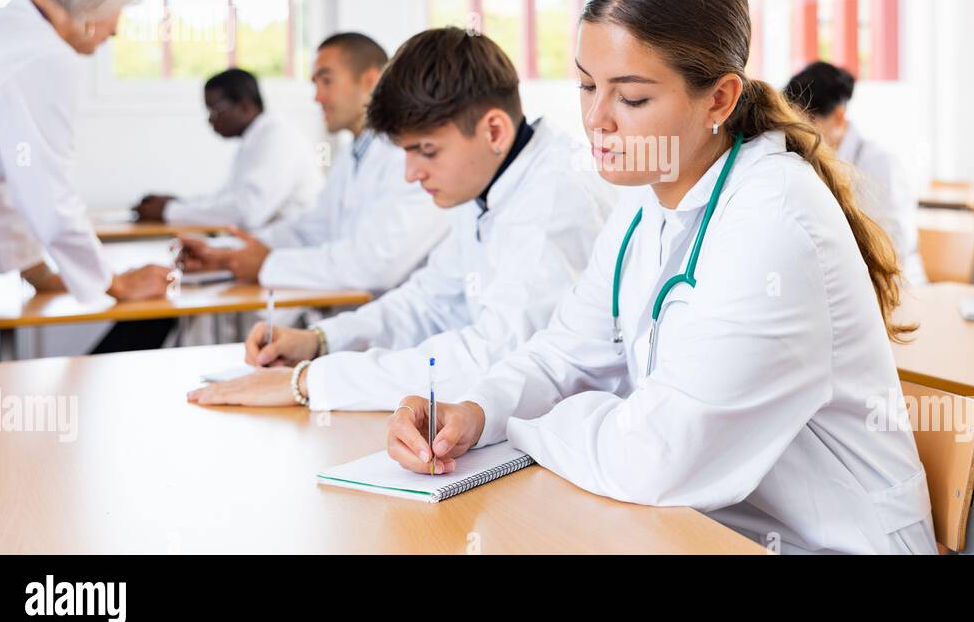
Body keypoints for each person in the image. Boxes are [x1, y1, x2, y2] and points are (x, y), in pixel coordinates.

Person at [387, 0, 936, 555]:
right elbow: (564, 353)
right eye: (587, 86)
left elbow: (652, 460)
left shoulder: (775, 220)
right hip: (701, 528)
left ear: (720, 100)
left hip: (827, 544)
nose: (597, 120)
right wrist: (475, 413)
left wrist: (517, 427)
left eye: (632, 99)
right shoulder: (644, 201)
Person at [186, 27, 614, 410]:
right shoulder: (486, 182)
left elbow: (494, 358)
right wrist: (321, 341)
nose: (411, 173)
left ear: (495, 132)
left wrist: (308, 382)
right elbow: (429, 299)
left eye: (425, 151)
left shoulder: (552, 200)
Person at [0, 0, 170, 307]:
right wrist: (115, 284)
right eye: (119, 10)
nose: (115, 30)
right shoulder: (44, 55)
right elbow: (49, 193)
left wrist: (39, 272)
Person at [176, 32, 448, 291]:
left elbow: (376, 265)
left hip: (396, 329)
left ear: (371, 81)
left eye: (326, 81)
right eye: (315, 84)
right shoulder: (350, 156)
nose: (317, 97)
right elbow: (312, 229)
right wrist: (224, 252)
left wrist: (267, 264)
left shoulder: (408, 158)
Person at [784, 60, 925, 283]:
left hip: (893, 286)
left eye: (808, 122)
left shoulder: (879, 164)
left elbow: (893, 248)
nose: (799, 134)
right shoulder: (804, 164)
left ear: (838, 116)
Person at [133, 68, 321, 229]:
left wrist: (169, 211)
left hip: (286, 250)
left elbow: (248, 212)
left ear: (245, 106)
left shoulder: (278, 139)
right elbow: (226, 199)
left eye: (215, 110)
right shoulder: (255, 139)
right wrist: (179, 203)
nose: (210, 119)